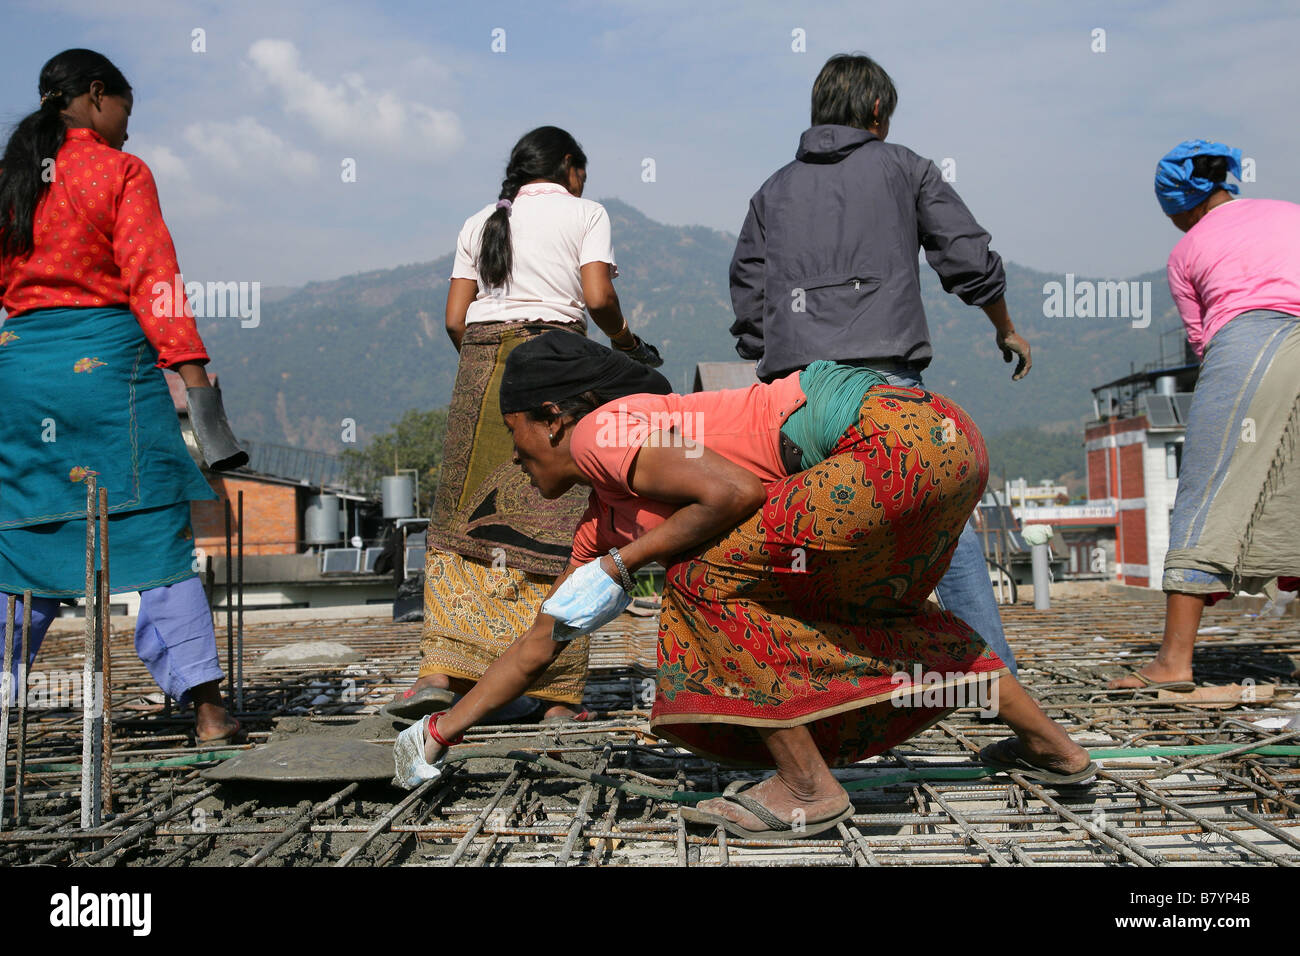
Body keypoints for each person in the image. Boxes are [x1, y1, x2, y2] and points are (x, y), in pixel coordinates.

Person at [394, 332, 1095, 840]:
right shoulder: (598, 521)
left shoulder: (600, 433)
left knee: (699, 581)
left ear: (554, 415)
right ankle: (1056, 753)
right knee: (865, 621)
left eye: (517, 434)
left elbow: (729, 493)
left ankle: (805, 787)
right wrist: (440, 732)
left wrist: (623, 566)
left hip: (888, 440)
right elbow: (542, 641)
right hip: (947, 444)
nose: (515, 458)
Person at [728, 53, 1027, 675]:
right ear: (875, 111)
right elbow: (967, 258)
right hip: (885, 384)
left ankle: (811, 675)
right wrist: (1006, 327)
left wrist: (775, 351)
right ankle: (992, 674)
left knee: (802, 532)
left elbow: (750, 300)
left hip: (795, 395)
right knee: (937, 519)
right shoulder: (906, 168)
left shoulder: (772, 190)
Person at [0, 49, 245, 743]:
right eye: (123, 115)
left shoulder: (11, 180)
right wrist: (199, 394)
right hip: (107, 375)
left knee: (17, 545)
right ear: (96, 95)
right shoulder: (120, 172)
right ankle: (206, 711)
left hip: (18, 373)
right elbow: (154, 280)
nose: (127, 131)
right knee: (153, 538)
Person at [390, 126, 662, 724]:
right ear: (569, 167)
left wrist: (495, 370)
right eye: (582, 170)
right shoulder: (586, 213)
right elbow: (597, 298)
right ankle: (557, 697)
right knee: (562, 522)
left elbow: (454, 319)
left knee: (463, 518)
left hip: (481, 365)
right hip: (555, 365)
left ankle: (440, 673)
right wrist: (625, 343)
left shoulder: (479, 220)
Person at [1109, 140, 1300, 691]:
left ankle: (1172, 663)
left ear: (1178, 204)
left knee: (1208, 489)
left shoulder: (1188, 249)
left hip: (1253, 339)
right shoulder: (1288, 212)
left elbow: (1202, 342)